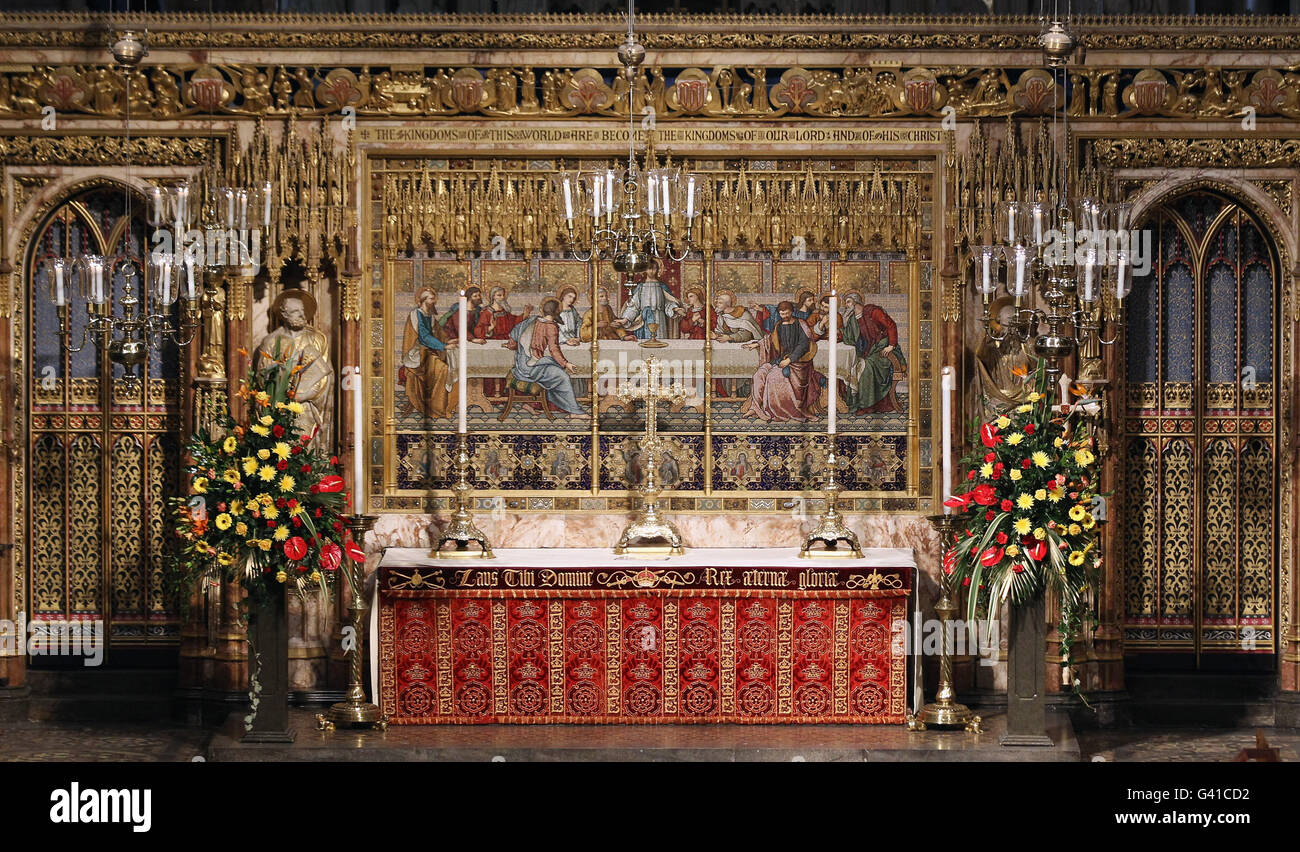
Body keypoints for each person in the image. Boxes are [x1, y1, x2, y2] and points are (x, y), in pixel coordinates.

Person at [254, 288, 333, 450]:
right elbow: (262, 377)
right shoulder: (271, 341)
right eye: (296, 312)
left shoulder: (316, 339)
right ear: (284, 314)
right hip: (281, 408)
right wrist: (281, 373)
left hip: (307, 408)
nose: (302, 316)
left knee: (307, 454)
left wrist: (305, 395)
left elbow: (326, 376)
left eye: (303, 311)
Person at [741, 300, 822, 422]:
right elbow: (770, 339)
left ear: (792, 312)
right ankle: (756, 408)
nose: (784, 316)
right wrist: (757, 344)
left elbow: (804, 344)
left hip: (798, 363)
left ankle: (776, 411)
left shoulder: (801, 324)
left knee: (773, 377)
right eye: (781, 314)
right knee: (759, 375)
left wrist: (790, 359)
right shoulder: (779, 325)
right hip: (780, 360)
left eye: (786, 314)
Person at [504, 298, 585, 419]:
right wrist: (566, 363)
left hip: (521, 366)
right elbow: (554, 349)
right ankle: (574, 411)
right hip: (531, 367)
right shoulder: (551, 326)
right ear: (557, 312)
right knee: (563, 377)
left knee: (554, 371)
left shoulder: (532, 320)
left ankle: (532, 404)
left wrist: (512, 345)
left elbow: (513, 337)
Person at [841, 292, 904, 415]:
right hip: (867, 351)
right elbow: (849, 339)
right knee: (854, 366)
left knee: (867, 367)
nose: (846, 305)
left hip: (883, 349)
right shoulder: (853, 319)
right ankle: (857, 402)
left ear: (856, 301)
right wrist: (845, 322)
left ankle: (867, 405)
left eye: (848, 302)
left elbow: (891, 325)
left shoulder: (872, 312)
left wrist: (891, 345)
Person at [400, 286, 458, 420]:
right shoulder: (416, 314)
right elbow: (424, 337)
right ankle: (436, 407)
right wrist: (443, 346)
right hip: (417, 353)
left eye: (434, 298)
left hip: (429, 351)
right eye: (431, 299)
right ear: (423, 300)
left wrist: (449, 340)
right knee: (443, 369)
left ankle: (443, 404)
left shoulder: (429, 316)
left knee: (450, 366)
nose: (434, 301)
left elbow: (439, 333)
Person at [475, 286, 531, 398]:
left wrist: (524, 315)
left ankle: (507, 392)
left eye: (503, 295)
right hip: (493, 342)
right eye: (499, 295)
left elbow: (513, 321)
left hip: (506, 341)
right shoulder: (487, 312)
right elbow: (478, 330)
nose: (502, 297)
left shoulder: (504, 311)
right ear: (493, 297)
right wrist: (490, 328)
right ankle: (492, 393)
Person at [613, 258, 682, 340]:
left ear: (658, 270)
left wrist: (675, 309)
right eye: (649, 268)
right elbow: (634, 306)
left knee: (659, 341)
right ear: (645, 270)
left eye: (654, 268)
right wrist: (626, 319)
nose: (652, 271)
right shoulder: (641, 287)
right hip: (643, 320)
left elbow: (668, 302)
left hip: (659, 319)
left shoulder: (662, 287)